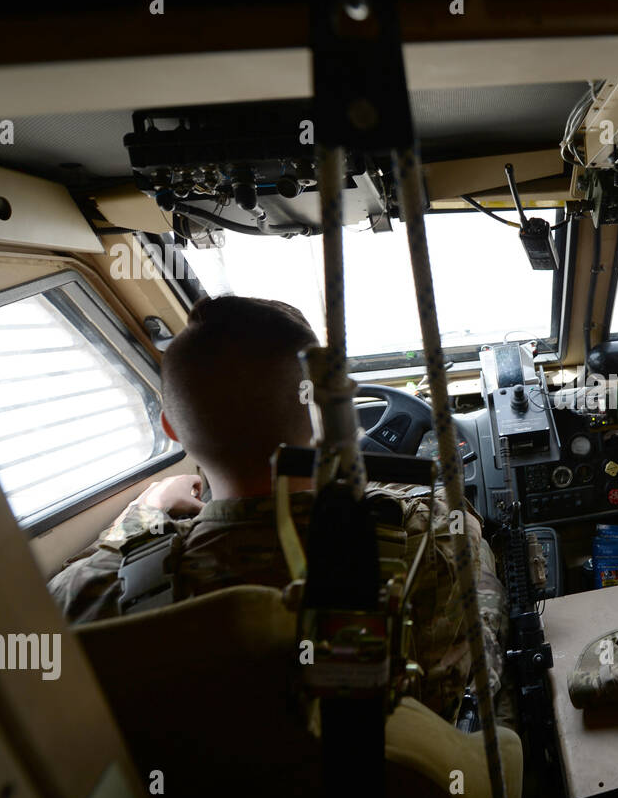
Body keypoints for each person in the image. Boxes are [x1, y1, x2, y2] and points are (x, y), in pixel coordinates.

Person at [48, 295, 513, 727]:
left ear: (171, 428)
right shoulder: (431, 534)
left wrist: (143, 516)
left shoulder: (95, 591)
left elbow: (47, 605)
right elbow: (480, 666)